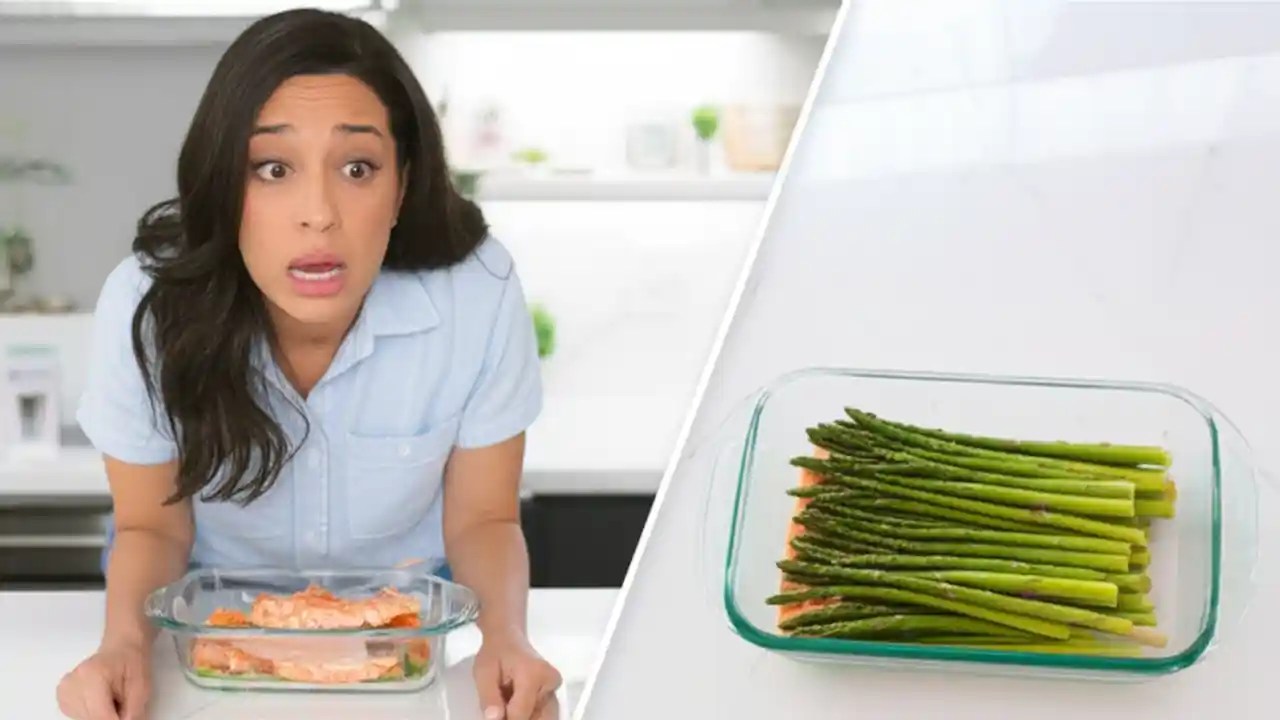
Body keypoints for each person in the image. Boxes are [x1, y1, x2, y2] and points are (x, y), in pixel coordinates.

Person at [54, 8, 560, 720]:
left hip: (401, 659)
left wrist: (507, 640)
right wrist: (124, 647)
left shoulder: (477, 292)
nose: (317, 214)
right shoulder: (148, 304)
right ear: (225, 185)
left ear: (403, 184)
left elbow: (482, 519)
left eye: (357, 168)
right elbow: (150, 528)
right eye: (272, 169)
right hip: (209, 656)